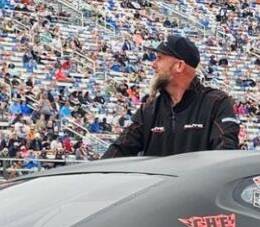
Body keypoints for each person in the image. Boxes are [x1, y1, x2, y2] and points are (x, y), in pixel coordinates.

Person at [102, 34, 241, 158]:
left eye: (159, 59)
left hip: (200, 187)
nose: (153, 65)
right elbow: (119, 150)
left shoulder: (216, 103)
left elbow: (225, 154)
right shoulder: (149, 109)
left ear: (179, 66)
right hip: (159, 187)